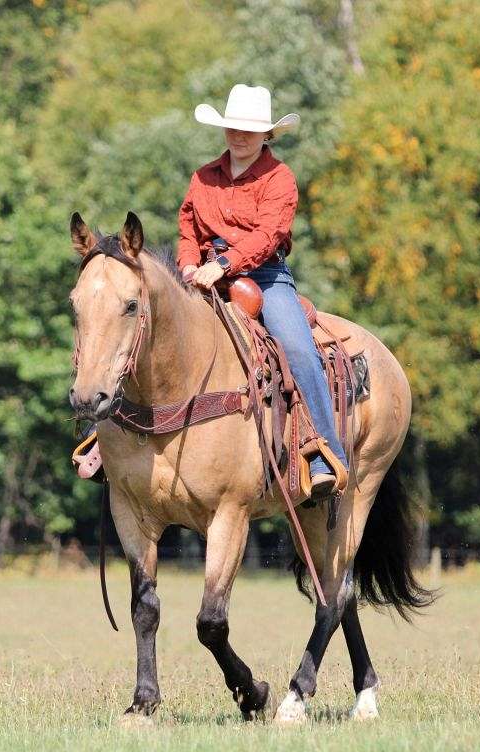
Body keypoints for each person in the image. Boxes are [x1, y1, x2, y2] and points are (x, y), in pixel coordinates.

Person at [178, 84, 347, 500]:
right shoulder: (203, 177)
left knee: (299, 349)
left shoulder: (279, 178)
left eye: (249, 130)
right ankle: (112, 441)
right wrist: (188, 265)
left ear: (266, 134)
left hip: (265, 276)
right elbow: (187, 229)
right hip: (205, 274)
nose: (239, 136)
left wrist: (223, 265)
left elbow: (269, 235)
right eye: (233, 127)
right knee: (149, 323)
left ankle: (324, 453)